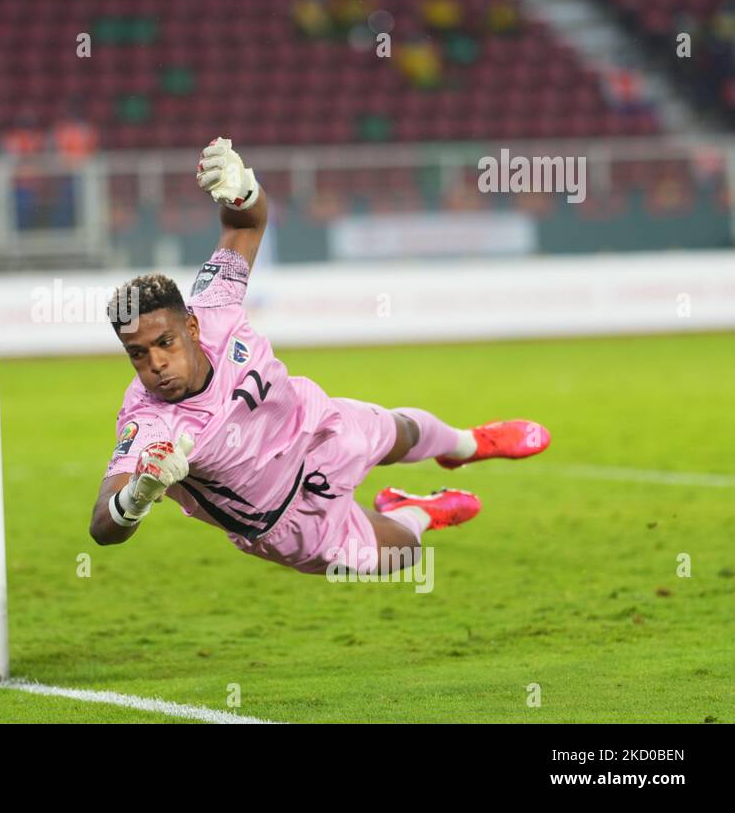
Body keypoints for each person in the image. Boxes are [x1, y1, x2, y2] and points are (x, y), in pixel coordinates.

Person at [90, 138, 550, 575]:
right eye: (137, 354)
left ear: (190, 327)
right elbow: (102, 528)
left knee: (402, 431)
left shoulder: (216, 304)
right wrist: (136, 496)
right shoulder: (149, 424)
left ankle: (469, 445)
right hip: (288, 518)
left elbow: (245, 224)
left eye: (164, 343)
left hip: (318, 429)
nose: (156, 364)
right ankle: (415, 511)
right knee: (405, 553)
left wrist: (242, 192)